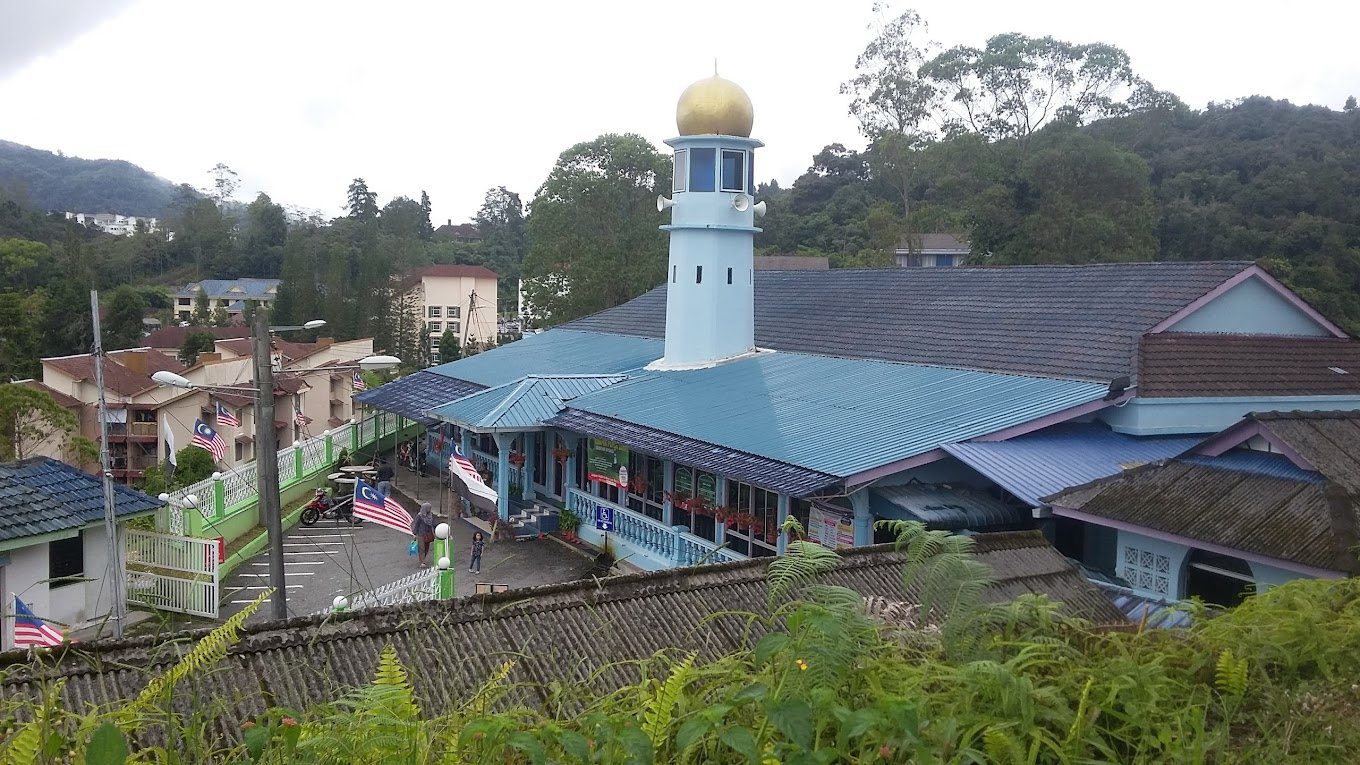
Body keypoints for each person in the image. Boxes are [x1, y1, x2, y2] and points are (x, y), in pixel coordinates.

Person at [411, 502, 435, 568]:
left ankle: (424, 559)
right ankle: (422, 562)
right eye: (428, 508)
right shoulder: (419, 515)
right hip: (421, 534)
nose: (429, 509)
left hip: (428, 533)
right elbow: (417, 525)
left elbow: (433, 524)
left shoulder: (430, 515)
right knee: (422, 548)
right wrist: (415, 534)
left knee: (427, 547)